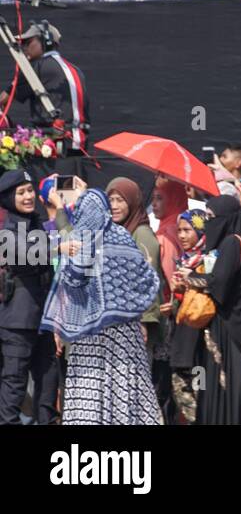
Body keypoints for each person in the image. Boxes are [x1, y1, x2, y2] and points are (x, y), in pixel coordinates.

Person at [41, 187, 162, 424]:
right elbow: (148, 280)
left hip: (89, 332)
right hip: (126, 333)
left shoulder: (82, 238)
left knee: (91, 388)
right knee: (123, 386)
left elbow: (74, 278)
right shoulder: (124, 236)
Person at [183, 194, 241, 424]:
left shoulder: (232, 242)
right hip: (227, 321)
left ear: (226, 218)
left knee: (226, 378)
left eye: (212, 217)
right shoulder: (231, 240)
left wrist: (190, 277)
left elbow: (219, 282)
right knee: (213, 377)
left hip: (229, 324)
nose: (209, 222)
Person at [106, 177, 170, 418]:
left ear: (132, 202)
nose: (113, 206)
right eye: (110, 199)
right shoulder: (118, 232)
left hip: (136, 326)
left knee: (133, 389)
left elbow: (149, 281)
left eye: (120, 200)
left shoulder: (141, 234)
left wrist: (144, 320)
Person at [0, 169, 58, 424]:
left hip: (44, 322)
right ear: (8, 198)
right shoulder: (7, 231)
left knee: (48, 385)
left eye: (30, 190)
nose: (28, 197)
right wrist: (58, 245)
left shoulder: (39, 224)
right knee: (14, 386)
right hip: (18, 324)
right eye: (21, 192)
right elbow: (28, 255)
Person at [0, 21, 89, 155]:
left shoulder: (36, 69)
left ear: (46, 42)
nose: (24, 48)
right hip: (78, 145)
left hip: (54, 146)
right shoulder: (75, 69)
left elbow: (4, 100)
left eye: (28, 42)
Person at [167, 207, 207, 424]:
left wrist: (190, 287)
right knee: (181, 391)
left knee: (201, 392)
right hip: (181, 342)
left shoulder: (207, 263)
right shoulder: (182, 261)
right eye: (179, 230)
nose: (181, 235)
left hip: (199, 347)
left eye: (187, 230)